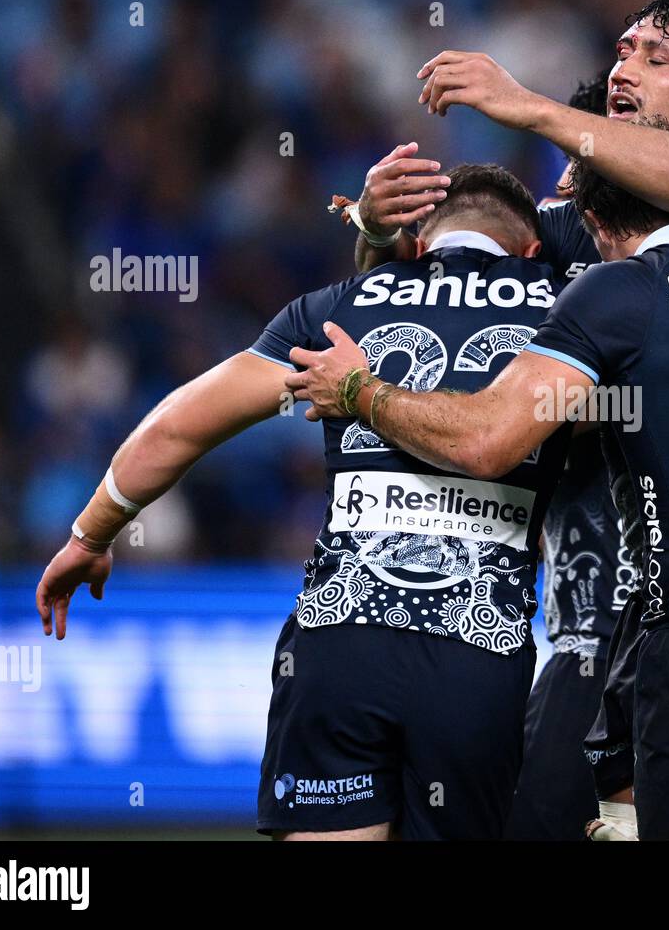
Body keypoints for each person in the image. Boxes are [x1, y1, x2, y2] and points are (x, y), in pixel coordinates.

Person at [286, 155, 669, 841]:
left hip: (648, 645)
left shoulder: (605, 295)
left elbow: (478, 422)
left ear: (587, 211)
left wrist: (362, 383)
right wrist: (374, 232)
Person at [335, 0, 669, 840]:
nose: (623, 68)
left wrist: (525, 105)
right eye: (622, 53)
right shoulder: (578, 236)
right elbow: (419, 296)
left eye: (653, 56)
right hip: (594, 633)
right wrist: (375, 231)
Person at [35, 164, 571, 841]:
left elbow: (177, 425)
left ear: (413, 243)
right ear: (529, 252)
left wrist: (90, 536)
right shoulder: (567, 313)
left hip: (338, 651)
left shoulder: (336, 308)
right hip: (476, 658)